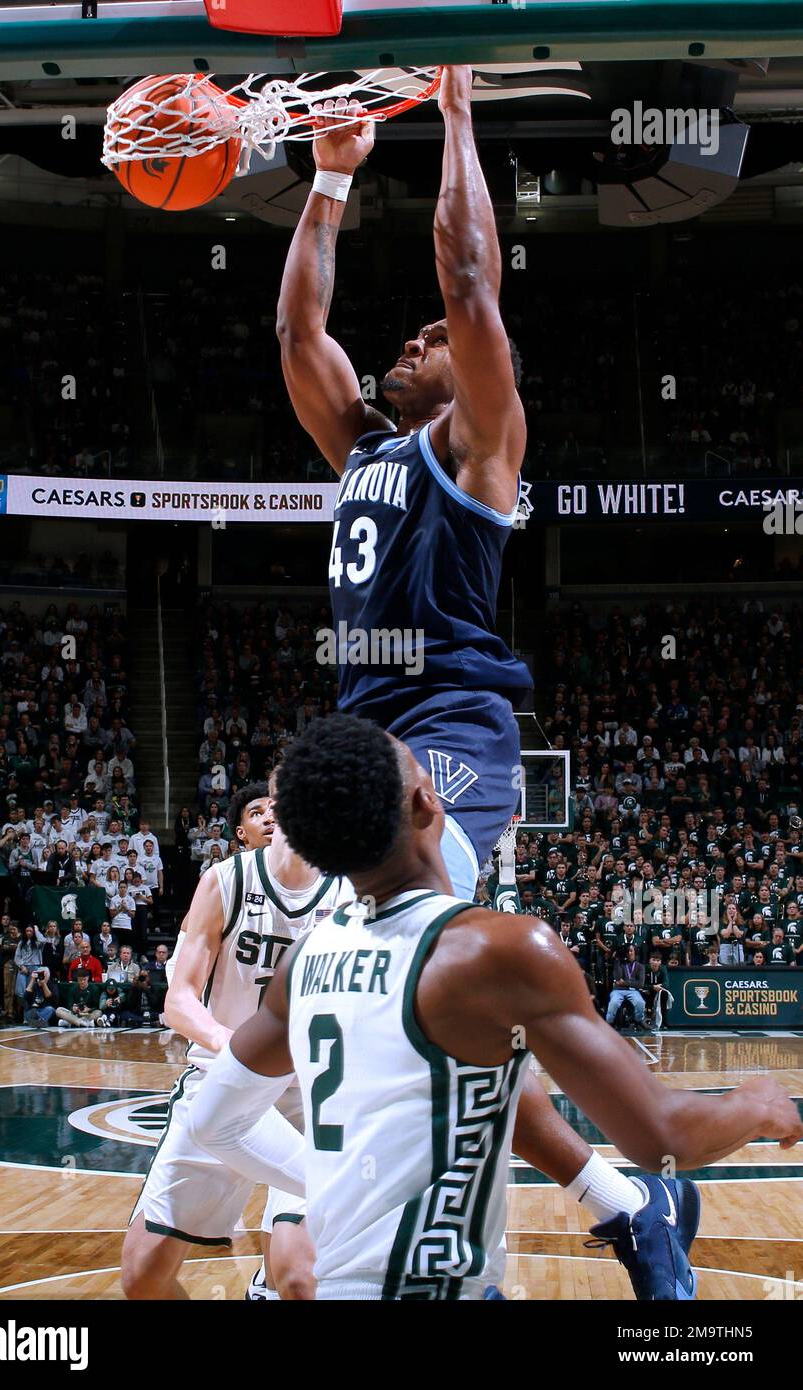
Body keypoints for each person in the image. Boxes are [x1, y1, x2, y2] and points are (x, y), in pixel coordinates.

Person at [275, 65, 676, 1295]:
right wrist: (332, 179)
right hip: (364, 733)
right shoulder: (364, 444)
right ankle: (625, 1206)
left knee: (422, 983)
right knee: (379, 1001)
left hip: (445, 736)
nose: (409, 344)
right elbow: (297, 333)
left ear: (473, 370)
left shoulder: (477, 445)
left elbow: (466, 281)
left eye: (428, 344)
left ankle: (445, 1256)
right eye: (401, 343)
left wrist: (454, 111)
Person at [188, 714, 802, 1301]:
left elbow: (216, 1122)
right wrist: (757, 1105)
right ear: (430, 803)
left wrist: (338, 1184)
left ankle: (627, 1207)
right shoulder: (498, 950)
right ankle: (636, 1208)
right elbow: (663, 1138)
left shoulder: (304, 961)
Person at [121, 779, 339, 1302]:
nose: (271, 814)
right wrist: (237, 1048)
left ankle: (272, 1274)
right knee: (143, 1278)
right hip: (223, 1081)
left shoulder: (350, 891)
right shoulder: (225, 881)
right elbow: (178, 1002)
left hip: (309, 1096)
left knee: (299, 1277)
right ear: (245, 829)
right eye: (261, 809)